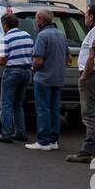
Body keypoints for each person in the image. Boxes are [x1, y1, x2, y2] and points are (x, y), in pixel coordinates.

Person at [67, 5, 95, 163]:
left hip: (92, 77)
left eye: (86, 15)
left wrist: (84, 77)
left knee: (89, 116)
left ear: (92, 17)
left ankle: (87, 151)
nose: (84, 17)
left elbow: (92, 55)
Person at [26, 10, 68, 151]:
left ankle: (43, 141)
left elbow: (38, 59)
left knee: (43, 109)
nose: (35, 21)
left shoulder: (42, 35)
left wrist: (33, 69)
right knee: (55, 109)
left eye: (36, 18)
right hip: (58, 77)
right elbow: (67, 57)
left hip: (43, 78)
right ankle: (53, 140)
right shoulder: (61, 34)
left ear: (42, 20)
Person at [0, 13, 34, 144]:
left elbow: (2, 59)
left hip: (12, 71)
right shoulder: (27, 36)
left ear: (5, 25)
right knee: (19, 104)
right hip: (27, 71)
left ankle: (6, 133)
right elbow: (31, 54)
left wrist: (0, 56)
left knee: (6, 104)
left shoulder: (6, 38)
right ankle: (20, 132)